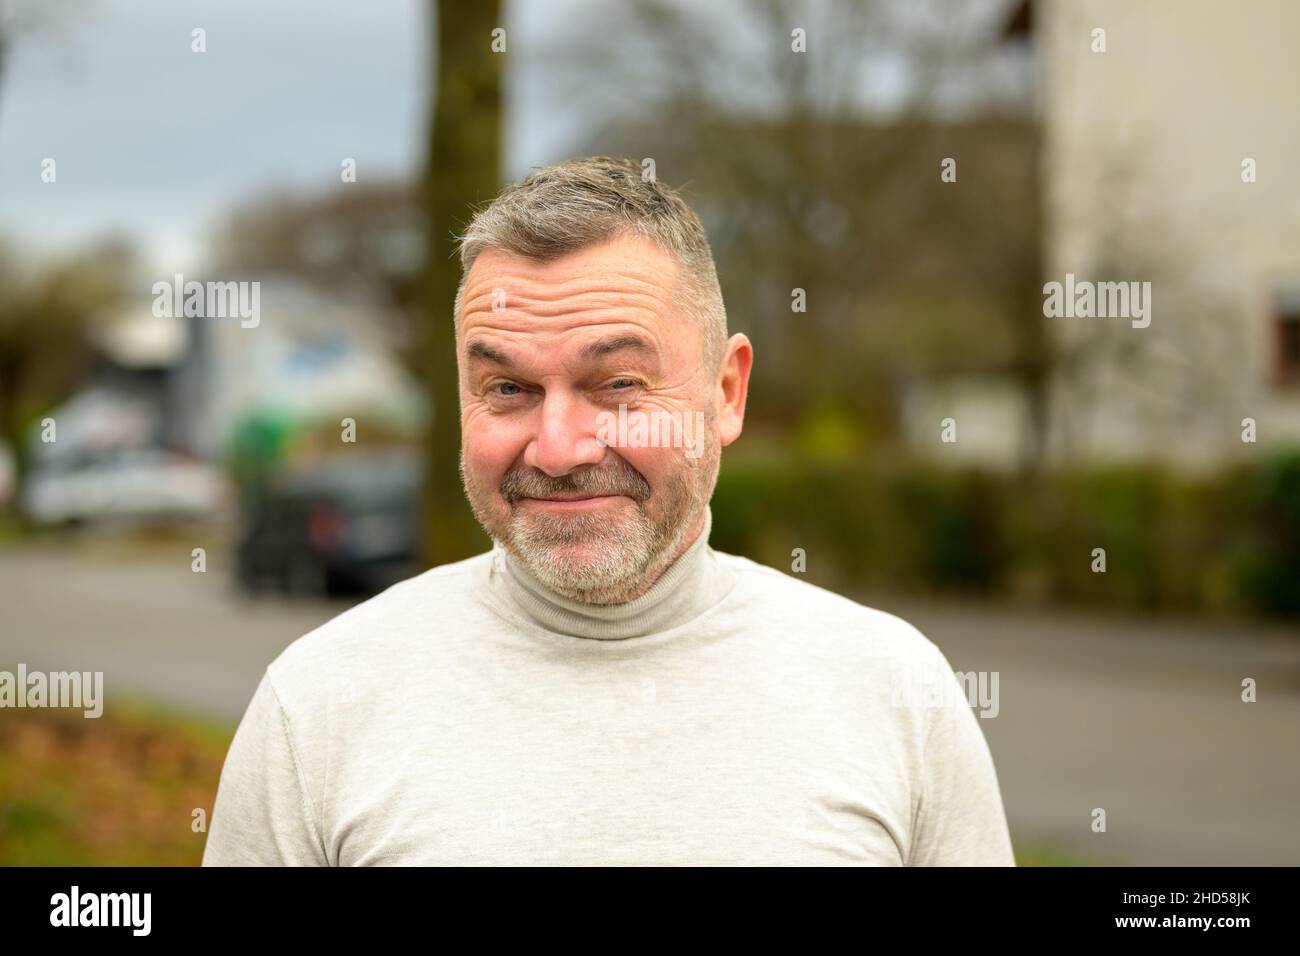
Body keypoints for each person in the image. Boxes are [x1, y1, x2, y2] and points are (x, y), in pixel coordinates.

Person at [203, 156, 1015, 866]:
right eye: (508, 389)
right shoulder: (316, 708)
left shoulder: (896, 695)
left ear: (726, 393)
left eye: (618, 385)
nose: (559, 448)